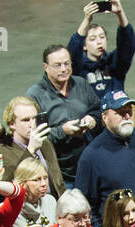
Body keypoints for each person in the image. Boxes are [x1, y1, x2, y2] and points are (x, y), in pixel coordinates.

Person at [73, 92, 135, 226]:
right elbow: (84, 206)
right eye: (120, 112)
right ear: (104, 117)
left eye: (129, 110)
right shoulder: (91, 155)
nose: (127, 116)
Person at [27, 44, 103, 180]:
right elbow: (34, 136)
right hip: (59, 172)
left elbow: (99, 110)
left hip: (89, 164)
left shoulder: (81, 84)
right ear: (46, 67)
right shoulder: (35, 95)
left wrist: (93, 119)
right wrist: (63, 131)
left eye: (67, 63)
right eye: (58, 65)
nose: (64, 69)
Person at [69, 0, 135, 101]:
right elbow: (72, 52)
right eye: (93, 39)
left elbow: (128, 45)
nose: (99, 42)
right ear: (84, 46)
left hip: (117, 113)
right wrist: (87, 19)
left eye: (102, 37)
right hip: (90, 115)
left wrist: (120, 12)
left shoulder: (114, 64)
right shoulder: (79, 69)